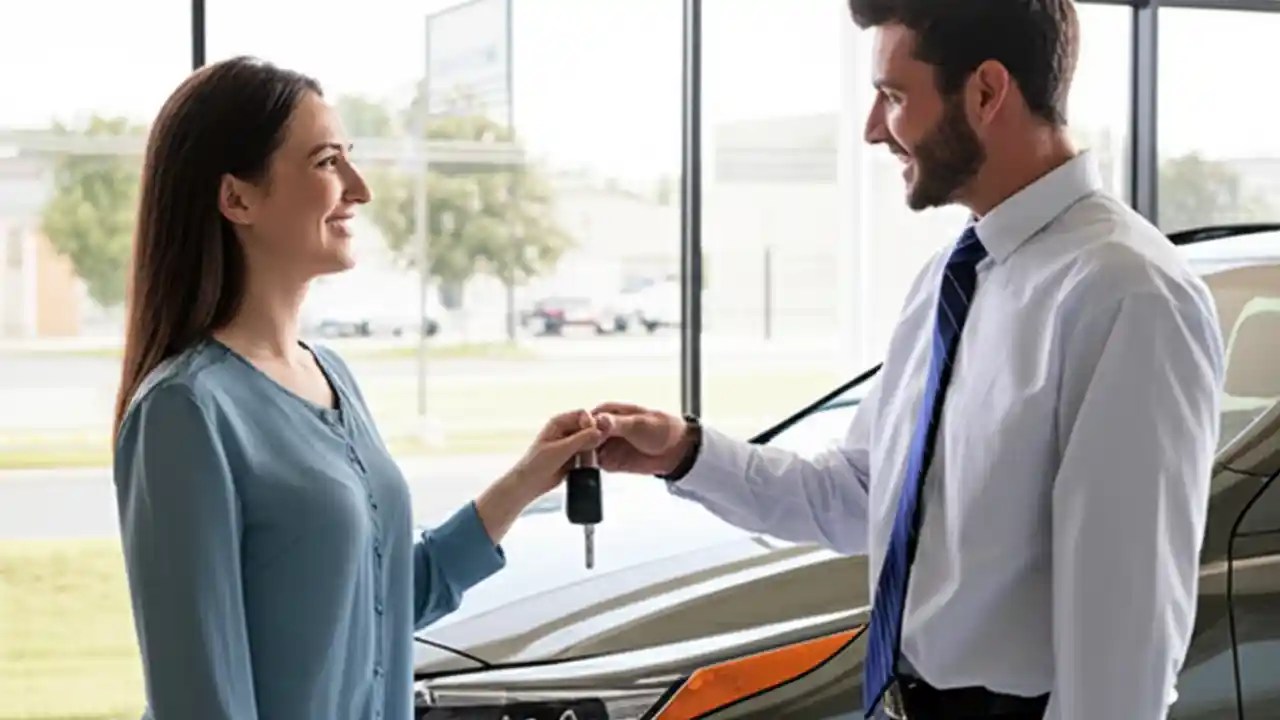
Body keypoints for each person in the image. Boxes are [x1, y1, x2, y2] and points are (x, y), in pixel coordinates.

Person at [588, 2, 1225, 719]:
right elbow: (862, 494)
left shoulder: (1128, 294)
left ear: (986, 92)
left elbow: (1124, 639)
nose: (871, 128)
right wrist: (683, 452)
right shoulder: (953, 278)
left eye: (893, 96)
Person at [111, 56, 602, 720]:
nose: (359, 187)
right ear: (237, 198)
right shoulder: (185, 412)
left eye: (350, 157)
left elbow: (386, 600)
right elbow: (199, 698)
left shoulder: (331, 374)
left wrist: (525, 481)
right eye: (325, 162)